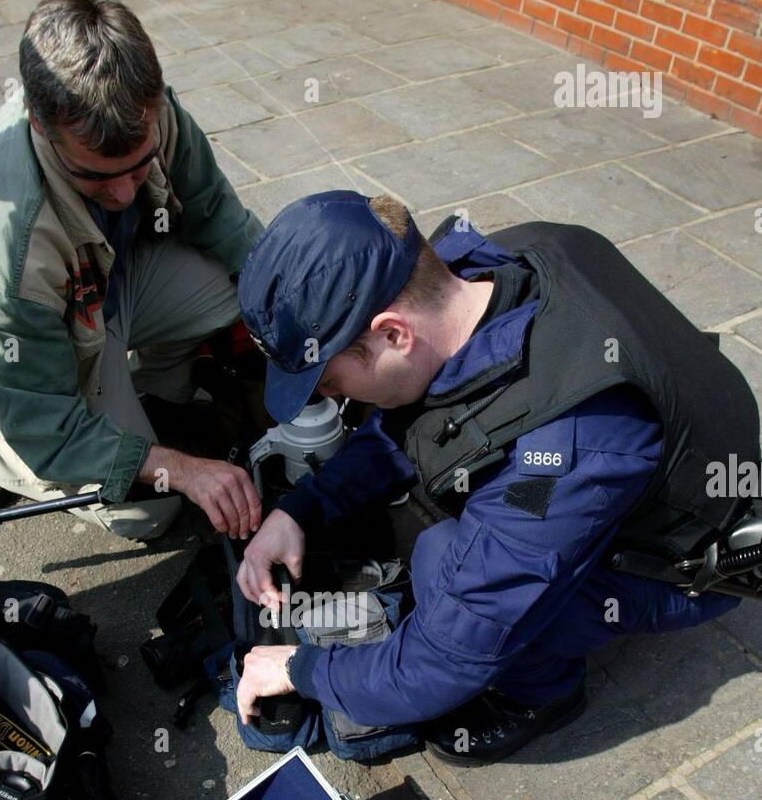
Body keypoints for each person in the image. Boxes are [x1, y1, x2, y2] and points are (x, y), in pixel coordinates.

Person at [233, 189, 759, 763]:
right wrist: (301, 509)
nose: (332, 398)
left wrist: (299, 668)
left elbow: (440, 662)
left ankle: (541, 697)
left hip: (677, 565)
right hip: (651, 467)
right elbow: (409, 422)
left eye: (330, 383)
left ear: (393, 334)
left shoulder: (562, 452)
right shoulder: (501, 262)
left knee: (440, 559)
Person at [0, 0, 264, 542]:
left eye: (140, 165)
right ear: (39, 122)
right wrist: (177, 468)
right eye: (96, 177)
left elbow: (220, 218)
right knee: (149, 511)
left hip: (108, 281)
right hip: (30, 345)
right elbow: (50, 429)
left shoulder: (146, 110)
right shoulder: (1, 254)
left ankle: (154, 398)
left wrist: (310, 320)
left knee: (238, 285)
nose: (127, 193)